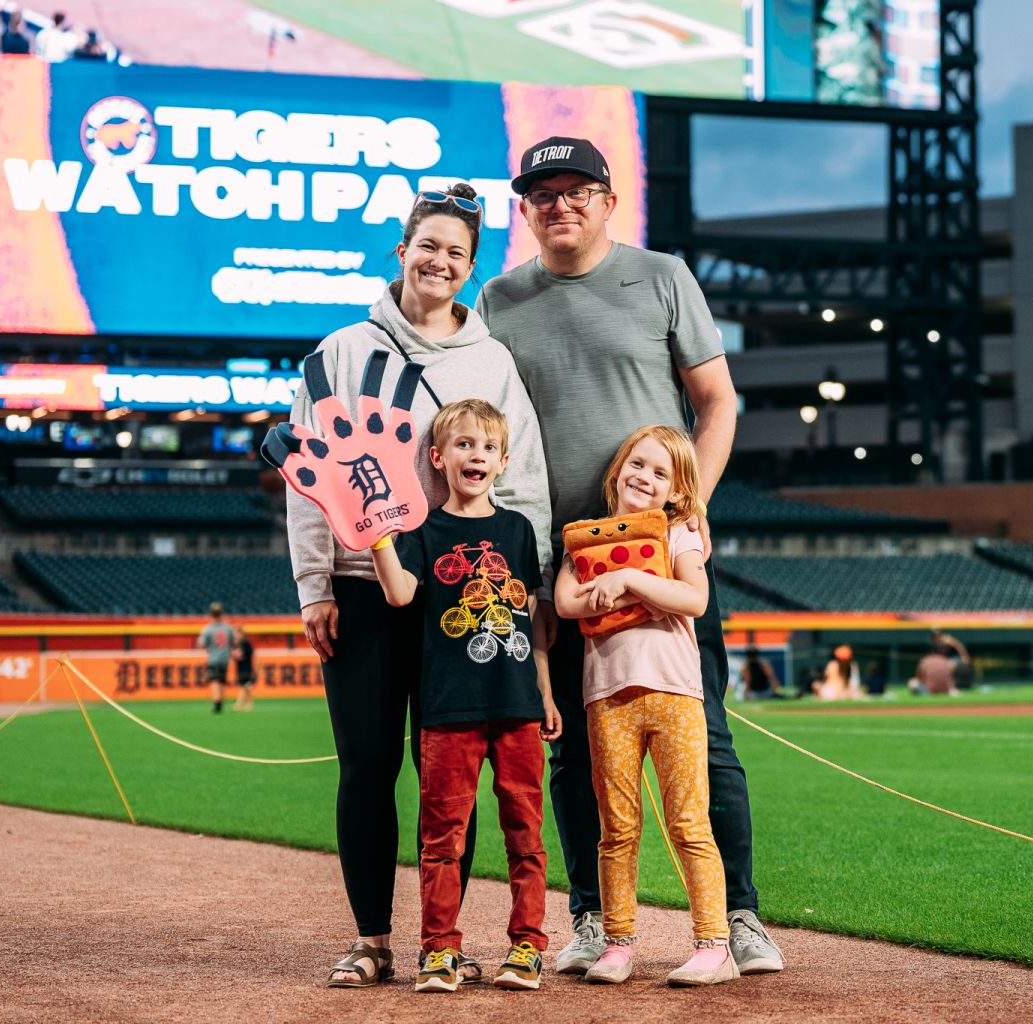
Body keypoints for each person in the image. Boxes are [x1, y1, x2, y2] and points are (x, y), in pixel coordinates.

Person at [476, 135, 783, 976]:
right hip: (561, 559)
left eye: (579, 190)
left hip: (660, 550)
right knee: (574, 743)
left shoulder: (661, 275)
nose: (561, 204)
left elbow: (717, 401)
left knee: (705, 735)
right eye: (544, 194)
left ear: (610, 201)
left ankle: (741, 917)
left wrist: (695, 508)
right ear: (526, 209)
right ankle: (589, 918)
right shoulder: (498, 299)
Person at [285, 183, 552, 988]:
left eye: (457, 253)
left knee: (456, 770)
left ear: (471, 270)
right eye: (428, 246)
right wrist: (314, 586)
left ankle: (445, 938)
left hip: (459, 593)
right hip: (364, 586)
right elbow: (310, 476)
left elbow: (527, 479)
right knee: (366, 766)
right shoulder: (337, 352)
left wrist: (526, 601)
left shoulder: (492, 360)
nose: (441, 262)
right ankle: (372, 938)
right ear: (401, 252)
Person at [371, 398, 561, 993]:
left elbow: (529, 620)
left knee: (525, 834)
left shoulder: (518, 531)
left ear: (503, 461)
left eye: (486, 447)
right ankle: (438, 951)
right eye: (462, 445)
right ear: (438, 458)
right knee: (441, 838)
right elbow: (400, 595)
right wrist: (375, 537)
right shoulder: (423, 532)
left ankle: (527, 946)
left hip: (517, 708)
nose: (474, 455)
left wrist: (546, 695)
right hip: (448, 709)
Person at [554, 426, 738, 986]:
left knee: (689, 821)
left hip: (674, 693)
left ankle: (714, 944)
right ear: (617, 471)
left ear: (677, 492)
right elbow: (565, 602)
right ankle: (617, 943)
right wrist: (609, 581)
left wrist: (629, 577)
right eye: (638, 465)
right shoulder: (584, 539)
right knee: (617, 828)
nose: (645, 478)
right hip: (607, 699)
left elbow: (695, 597)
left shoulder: (680, 532)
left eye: (661, 474)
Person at [194, 602, 235, 714]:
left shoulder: (208, 629)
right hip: (225, 658)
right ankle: (221, 701)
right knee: (221, 681)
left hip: (214, 658)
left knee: (215, 680)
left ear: (211, 614)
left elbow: (201, 644)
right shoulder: (228, 628)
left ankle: (217, 703)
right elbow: (233, 642)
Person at [233, 632, 256, 712]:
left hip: (246, 668)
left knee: (244, 686)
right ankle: (249, 704)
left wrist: (233, 654)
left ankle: (238, 704)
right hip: (240, 668)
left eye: (237, 634)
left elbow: (242, 656)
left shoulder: (245, 644)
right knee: (246, 687)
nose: (236, 636)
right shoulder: (238, 644)